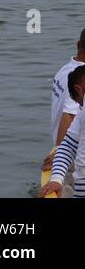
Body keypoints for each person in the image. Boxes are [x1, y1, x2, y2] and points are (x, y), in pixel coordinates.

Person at [45, 32, 85, 189]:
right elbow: (68, 115)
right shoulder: (80, 77)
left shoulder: (66, 69)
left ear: (77, 45)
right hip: (72, 156)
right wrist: (58, 151)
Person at [41, 65, 85, 198]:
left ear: (79, 90)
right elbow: (68, 146)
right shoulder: (82, 114)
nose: (81, 107)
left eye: (80, 103)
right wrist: (57, 178)